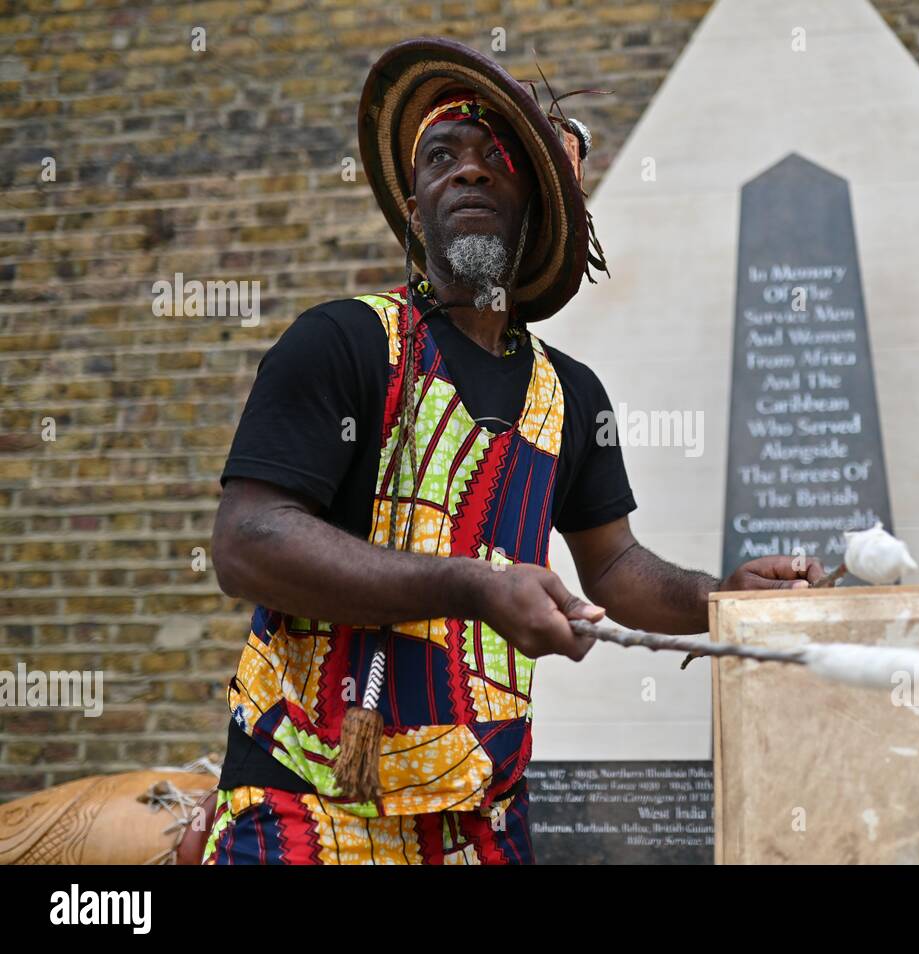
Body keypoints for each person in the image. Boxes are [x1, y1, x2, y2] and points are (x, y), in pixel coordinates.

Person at [203, 37, 824, 865]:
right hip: (303, 803)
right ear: (415, 205)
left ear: (535, 205)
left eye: (495, 158)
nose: (466, 171)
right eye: (440, 157)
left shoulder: (571, 396)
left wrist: (723, 597)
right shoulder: (343, 342)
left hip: (481, 818)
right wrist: (472, 586)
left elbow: (611, 568)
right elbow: (246, 543)